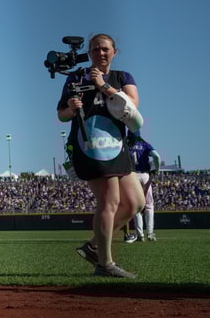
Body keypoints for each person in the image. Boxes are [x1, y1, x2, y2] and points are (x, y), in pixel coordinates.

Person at [59, 33, 145, 278]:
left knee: (135, 203)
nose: (101, 53)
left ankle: (93, 245)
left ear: (114, 52)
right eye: (95, 49)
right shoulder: (77, 77)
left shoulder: (122, 77)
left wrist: (103, 86)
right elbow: (61, 115)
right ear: (90, 52)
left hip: (117, 145)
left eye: (105, 49)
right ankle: (105, 264)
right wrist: (71, 109)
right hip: (90, 144)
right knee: (110, 202)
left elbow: (132, 105)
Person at [127, 131, 161, 242]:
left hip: (132, 176)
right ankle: (150, 234)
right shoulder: (145, 144)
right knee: (149, 206)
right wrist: (156, 169)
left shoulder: (126, 145)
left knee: (137, 207)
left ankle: (140, 235)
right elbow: (156, 156)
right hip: (145, 175)